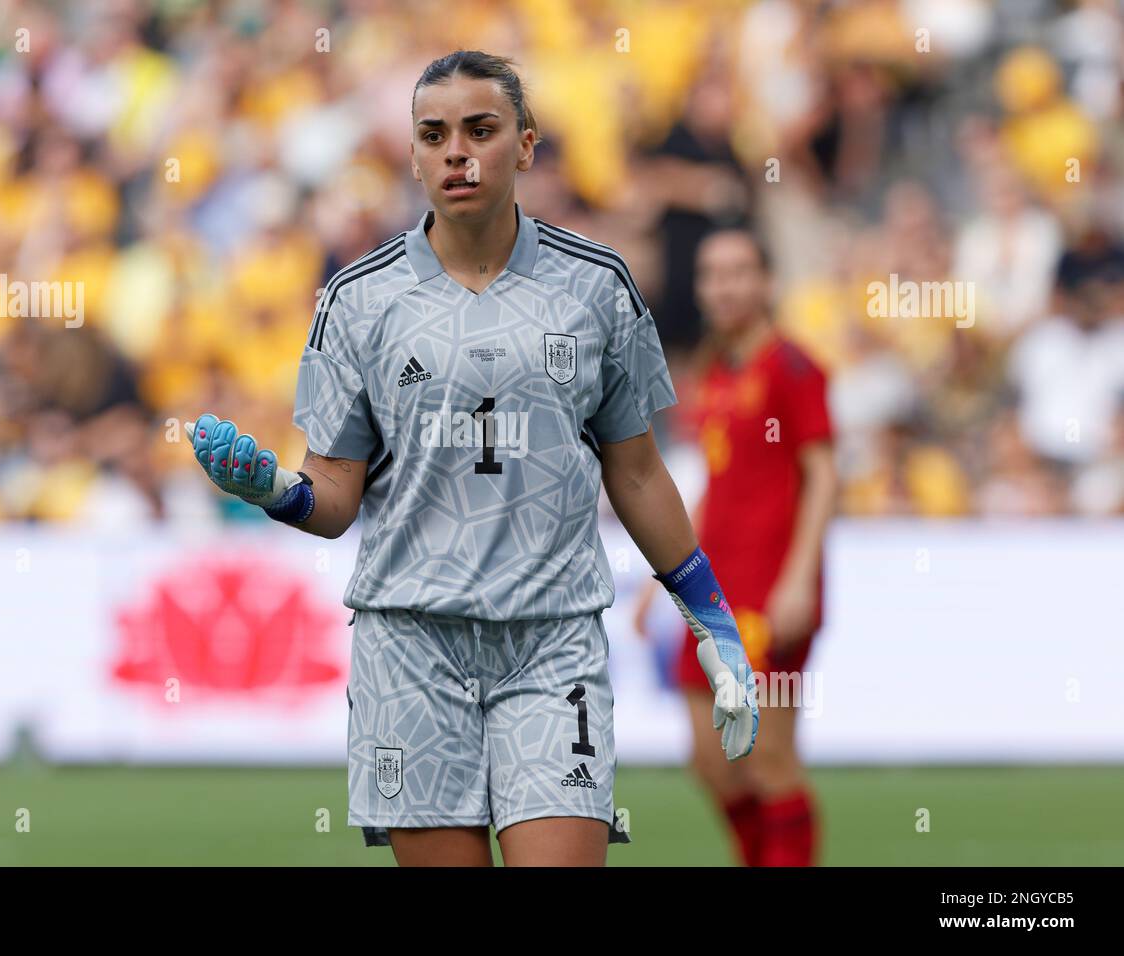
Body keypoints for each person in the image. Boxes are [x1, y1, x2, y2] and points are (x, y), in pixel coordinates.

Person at [184, 51, 758, 867]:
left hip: (552, 639)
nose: (458, 151)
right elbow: (335, 493)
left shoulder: (596, 287)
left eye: (481, 130)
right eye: (434, 134)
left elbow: (635, 471)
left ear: (525, 146)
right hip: (409, 648)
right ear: (414, 155)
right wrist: (275, 491)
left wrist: (711, 618)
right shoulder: (358, 300)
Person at [637, 227, 837, 866]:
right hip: (713, 596)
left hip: (770, 587)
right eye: (711, 274)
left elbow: (824, 476)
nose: (723, 287)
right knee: (710, 760)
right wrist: (658, 577)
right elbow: (715, 486)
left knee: (768, 759)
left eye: (738, 272)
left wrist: (801, 577)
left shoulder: (792, 367)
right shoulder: (714, 372)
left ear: (766, 282)